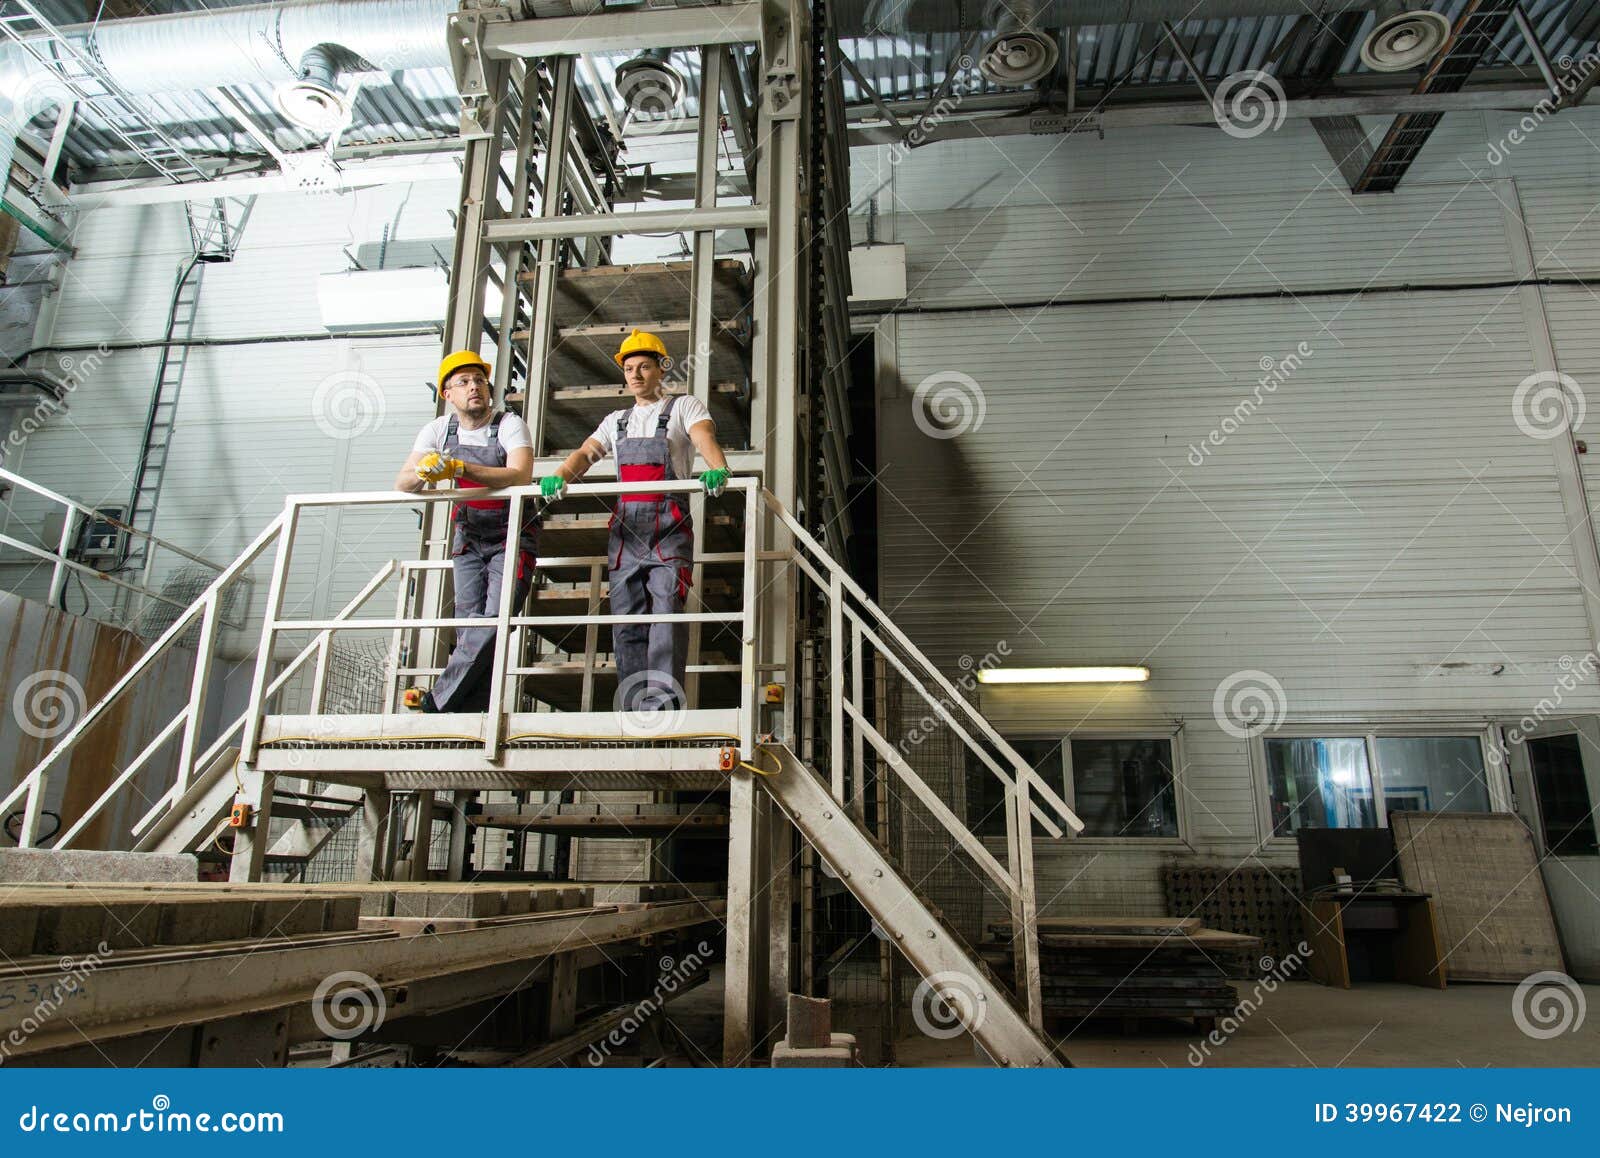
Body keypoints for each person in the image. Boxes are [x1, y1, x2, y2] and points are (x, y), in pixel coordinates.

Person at [543, 329, 730, 711]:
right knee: (626, 619)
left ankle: (660, 708)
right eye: (629, 368)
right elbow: (586, 453)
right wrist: (560, 475)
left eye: (644, 366)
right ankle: (633, 708)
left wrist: (719, 469)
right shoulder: (616, 420)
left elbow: (703, 436)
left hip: (669, 527)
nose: (636, 374)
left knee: (665, 614)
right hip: (626, 531)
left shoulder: (683, 407)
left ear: (662, 368)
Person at [394, 350, 538, 712]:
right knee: (468, 628)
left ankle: (437, 700)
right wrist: (426, 472)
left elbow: (520, 474)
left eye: (479, 380)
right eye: (464, 382)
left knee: (492, 621)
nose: (474, 387)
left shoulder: (508, 424)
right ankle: (469, 714)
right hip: (469, 539)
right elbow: (404, 483)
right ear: (448, 394)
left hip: (512, 536)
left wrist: (459, 467)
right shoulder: (438, 430)